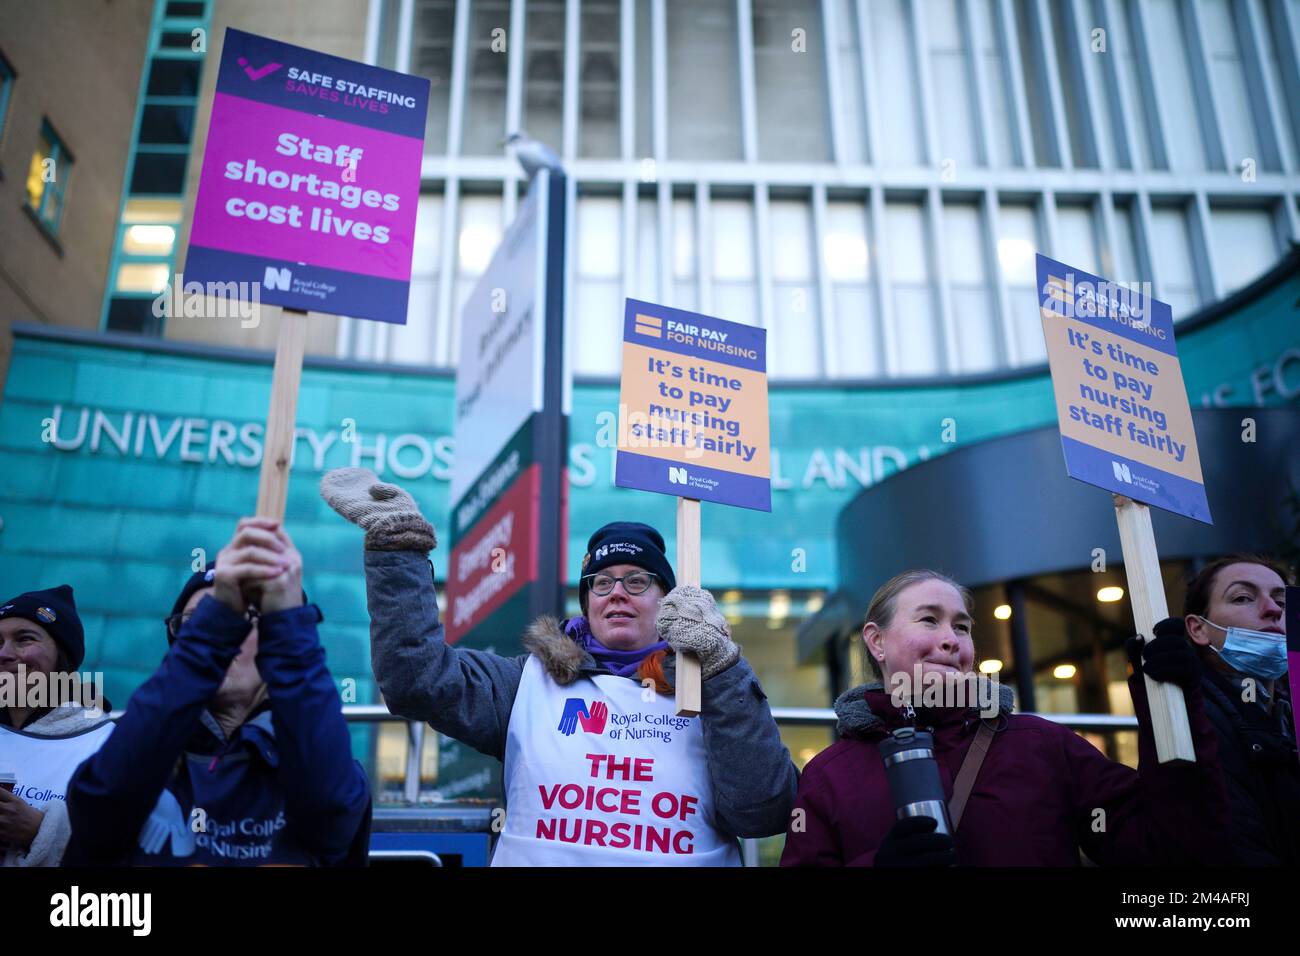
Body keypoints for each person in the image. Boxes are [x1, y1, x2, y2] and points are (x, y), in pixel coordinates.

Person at [320, 467, 797, 865]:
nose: (617, 594)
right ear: (586, 600)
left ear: (667, 598)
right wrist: (399, 551)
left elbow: (763, 812)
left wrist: (723, 670)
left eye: (637, 580)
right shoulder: (525, 683)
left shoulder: (707, 688)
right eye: (601, 583)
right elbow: (417, 681)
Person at [780, 568, 1229, 866]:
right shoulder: (828, 775)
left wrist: (1172, 707)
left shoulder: (1042, 744)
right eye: (929, 620)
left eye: (961, 626)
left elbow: (1165, 848)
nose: (951, 639)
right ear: (877, 642)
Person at [64, 518, 371, 865]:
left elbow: (331, 812)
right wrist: (218, 621)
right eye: (202, 621)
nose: (227, 636)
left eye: (247, 618)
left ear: (279, 641)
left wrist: (286, 617)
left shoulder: (322, 763)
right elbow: (100, 809)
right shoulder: (132, 748)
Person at [1176, 553, 1298, 865]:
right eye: (1243, 597)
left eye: (1283, 603)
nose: (1273, 610)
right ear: (1198, 629)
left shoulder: (1287, 716)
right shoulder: (1189, 723)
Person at [0, 586, 113, 867]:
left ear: (63, 658)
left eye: (24, 639)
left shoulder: (108, 744)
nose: (4, 653)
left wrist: (40, 830)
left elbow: (126, 846)